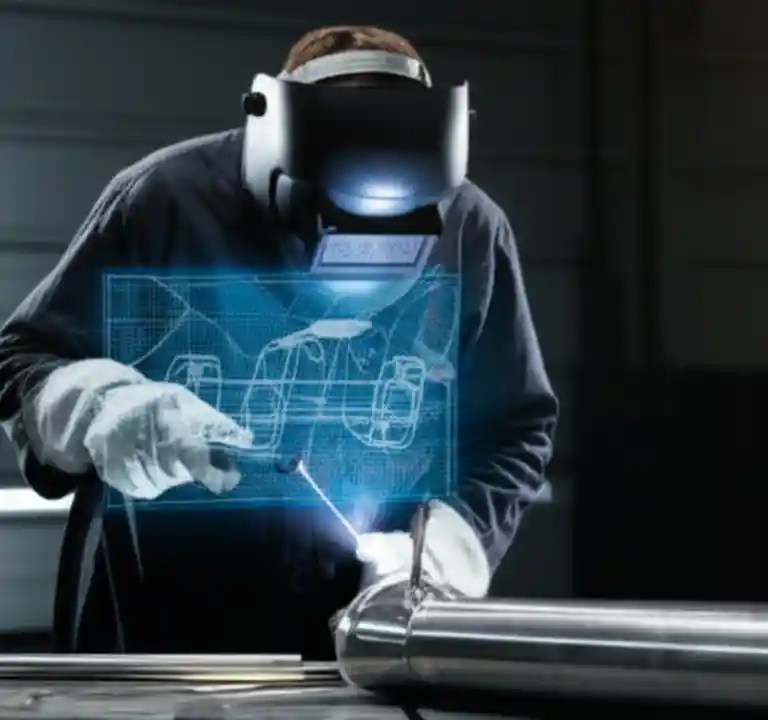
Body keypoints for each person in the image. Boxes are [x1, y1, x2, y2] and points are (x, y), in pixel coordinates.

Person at [0, 26, 558, 657]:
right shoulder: (166, 203)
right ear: (275, 152)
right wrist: (103, 410)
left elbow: (516, 430)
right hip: (164, 646)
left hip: (370, 648)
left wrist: (435, 559)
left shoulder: (471, 230)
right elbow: (19, 358)